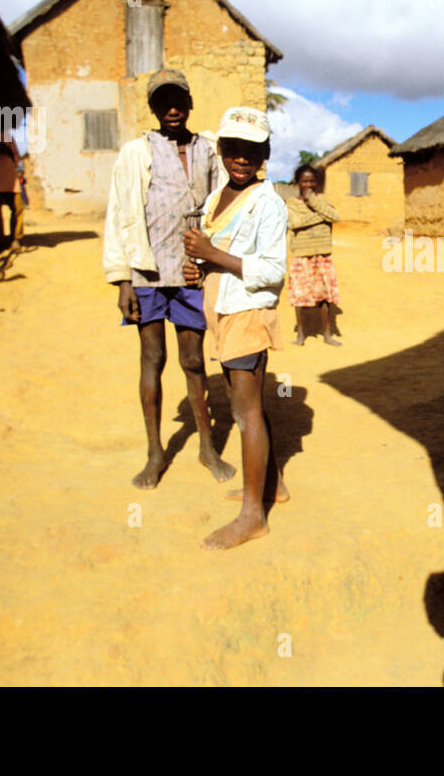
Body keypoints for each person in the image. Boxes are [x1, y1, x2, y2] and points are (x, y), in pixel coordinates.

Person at [103, 68, 233, 491]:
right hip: (147, 271)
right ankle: (155, 452)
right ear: (154, 108)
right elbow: (121, 214)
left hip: (193, 271)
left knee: (194, 361)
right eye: (163, 102)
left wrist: (214, 259)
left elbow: (221, 208)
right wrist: (123, 279)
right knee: (152, 359)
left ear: (190, 103)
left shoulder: (209, 151)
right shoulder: (135, 153)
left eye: (179, 101)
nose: (172, 109)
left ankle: (207, 447)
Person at [182, 106, 289, 550]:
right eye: (233, 149)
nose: (241, 159)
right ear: (222, 150)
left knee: (245, 414)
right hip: (220, 309)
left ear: (263, 154)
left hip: (247, 313)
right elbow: (213, 255)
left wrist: (213, 254)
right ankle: (272, 486)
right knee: (248, 405)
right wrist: (200, 266)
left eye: (251, 151)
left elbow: (272, 270)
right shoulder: (215, 198)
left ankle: (252, 516)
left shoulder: (269, 204)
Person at [284, 164, 342, 345]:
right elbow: (294, 222)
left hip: (322, 255)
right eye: (304, 181)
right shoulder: (292, 203)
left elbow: (335, 217)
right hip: (302, 255)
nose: (308, 184)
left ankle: (327, 334)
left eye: (311, 181)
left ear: (316, 182)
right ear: (298, 182)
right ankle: (301, 335)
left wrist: (313, 202)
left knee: (324, 297)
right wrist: (321, 216)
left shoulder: (322, 200)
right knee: (300, 296)